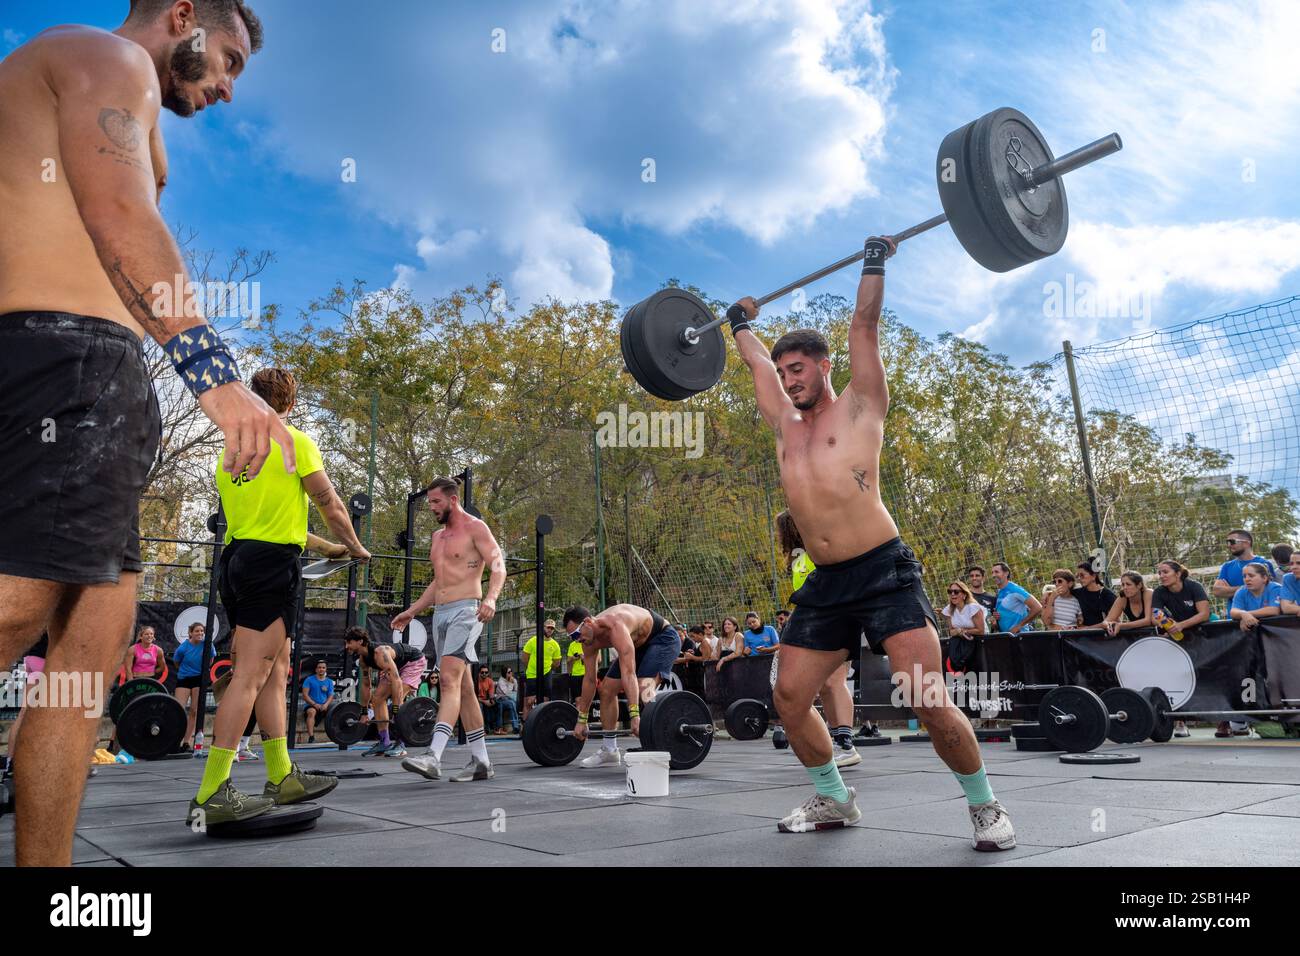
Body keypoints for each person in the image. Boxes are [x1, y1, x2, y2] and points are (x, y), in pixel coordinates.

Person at [0, 0, 309, 866]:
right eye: (231, 62)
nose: (227, 88)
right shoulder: (106, 57)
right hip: (55, 359)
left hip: (98, 377)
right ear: (184, 15)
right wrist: (214, 377)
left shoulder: (108, 84)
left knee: (82, 667)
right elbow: (121, 216)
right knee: (19, 609)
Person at [726, 237, 1014, 846]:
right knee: (788, 697)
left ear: (823, 366)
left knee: (926, 699)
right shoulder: (784, 425)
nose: (789, 381)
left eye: (797, 369)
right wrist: (739, 326)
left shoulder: (861, 406)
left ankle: (986, 807)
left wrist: (874, 261)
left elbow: (865, 322)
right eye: (784, 373)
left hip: (883, 571)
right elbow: (753, 365)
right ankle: (834, 798)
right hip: (825, 582)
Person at [189, 366, 369, 829]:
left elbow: (267, 520)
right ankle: (211, 792)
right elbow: (331, 504)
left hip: (241, 560)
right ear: (291, 403)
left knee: (277, 671)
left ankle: (282, 774)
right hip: (270, 568)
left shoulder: (235, 451)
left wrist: (324, 547)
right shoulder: (295, 442)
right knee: (251, 675)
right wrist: (353, 545)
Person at [394, 476, 506, 783]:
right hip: (440, 614)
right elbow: (438, 582)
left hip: (466, 612)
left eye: (436, 502)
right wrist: (412, 611)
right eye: (429, 502)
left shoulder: (475, 528)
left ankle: (434, 756)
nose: (432, 508)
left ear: (453, 499)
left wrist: (492, 599)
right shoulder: (437, 537)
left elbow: (498, 565)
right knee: (464, 687)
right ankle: (481, 761)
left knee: (447, 679)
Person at [778, 509, 858, 766]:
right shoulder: (798, 559)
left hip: (835, 617)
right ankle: (838, 740)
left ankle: (846, 744)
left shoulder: (818, 549)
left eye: (780, 531)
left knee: (835, 681)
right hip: (816, 623)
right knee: (824, 685)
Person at [565, 604, 680, 769]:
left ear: (588, 622)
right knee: (606, 690)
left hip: (662, 638)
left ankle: (666, 739)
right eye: (572, 637)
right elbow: (590, 679)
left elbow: (629, 673)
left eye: (576, 633)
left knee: (644, 687)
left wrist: (635, 715)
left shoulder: (615, 626)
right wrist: (581, 719)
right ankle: (610, 751)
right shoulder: (587, 641)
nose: (576, 639)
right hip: (636, 645)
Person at [343, 628, 428, 757]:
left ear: (360, 641)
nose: (346, 646)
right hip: (395, 668)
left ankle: (401, 744)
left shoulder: (380, 653)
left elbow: (397, 681)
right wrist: (364, 712)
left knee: (399, 705)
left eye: (349, 642)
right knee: (377, 699)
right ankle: (384, 742)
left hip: (412, 662)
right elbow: (366, 686)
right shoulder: (363, 660)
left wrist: (395, 709)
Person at [1151, 560, 1211, 738]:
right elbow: (1155, 616)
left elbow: (1204, 614)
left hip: (1203, 636)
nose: (1161, 576)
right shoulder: (1159, 592)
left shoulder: (1194, 587)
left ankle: (1224, 723)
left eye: (1165, 572)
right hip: (1176, 639)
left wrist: (1181, 625)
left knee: (1209, 677)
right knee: (1176, 678)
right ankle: (1179, 721)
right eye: (1159, 572)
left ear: (1178, 574)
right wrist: (1168, 626)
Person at [1212, 530, 1277, 602]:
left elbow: (1268, 590)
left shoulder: (1264, 564)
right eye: (1227, 542)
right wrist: (1251, 587)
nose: (1229, 545)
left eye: (1232, 542)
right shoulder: (1227, 566)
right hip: (1234, 612)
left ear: (1246, 543)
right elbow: (1216, 591)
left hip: (1260, 612)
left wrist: (1229, 590)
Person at [172, 622, 207, 752]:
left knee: (194, 711)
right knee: (178, 710)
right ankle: (175, 741)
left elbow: (210, 660)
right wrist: (186, 671)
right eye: (197, 631)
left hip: (198, 680)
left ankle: (186, 742)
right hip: (184, 679)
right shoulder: (183, 647)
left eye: (202, 631)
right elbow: (176, 662)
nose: (200, 634)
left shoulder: (207, 645)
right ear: (191, 633)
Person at [520, 619, 562, 718]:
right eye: (548, 627)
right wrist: (533, 667)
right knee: (529, 702)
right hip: (532, 674)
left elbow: (556, 663)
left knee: (545, 702)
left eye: (552, 628)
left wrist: (547, 667)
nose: (550, 630)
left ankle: (542, 725)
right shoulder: (533, 640)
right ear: (543, 627)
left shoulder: (555, 645)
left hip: (546, 674)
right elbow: (524, 658)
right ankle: (525, 727)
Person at [989, 563, 1042, 635]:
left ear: (1006, 573)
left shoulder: (1015, 589)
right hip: (1007, 637)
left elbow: (1038, 608)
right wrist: (996, 618)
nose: (993, 575)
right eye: (992, 572)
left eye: (996, 572)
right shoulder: (1000, 592)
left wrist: (1019, 626)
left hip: (1020, 637)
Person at [1101, 571, 1153, 637]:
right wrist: (1110, 625)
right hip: (1138, 637)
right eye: (1123, 585)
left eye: (1128, 584)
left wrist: (1121, 625)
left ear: (1139, 585)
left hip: (1158, 635)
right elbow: (1106, 621)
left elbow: (1147, 621)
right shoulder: (1123, 598)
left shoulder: (1148, 593)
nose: (1124, 588)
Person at [1071, 561, 1117, 627]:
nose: (1079, 578)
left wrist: (1086, 629)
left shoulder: (1107, 595)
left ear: (1093, 576)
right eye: (1077, 576)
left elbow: (1113, 621)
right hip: (1081, 634)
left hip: (1102, 634)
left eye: (1082, 575)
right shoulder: (1077, 593)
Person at [299, 661, 335, 745]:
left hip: (324, 705)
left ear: (326, 669)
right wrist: (314, 704)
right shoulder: (309, 680)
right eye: (319, 667)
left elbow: (330, 696)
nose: (321, 669)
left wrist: (326, 704)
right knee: (312, 712)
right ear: (316, 669)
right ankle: (311, 737)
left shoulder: (329, 681)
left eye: (323, 667)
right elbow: (305, 695)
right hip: (311, 705)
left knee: (335, 711)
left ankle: (335, 736)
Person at [494, 666, 520, 735]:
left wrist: (513, 682)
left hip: (510, 699)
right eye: (509, 672)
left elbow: (515, 691)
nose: (511, 673)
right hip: (501, 699)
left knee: (512, 704)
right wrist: (511, 683)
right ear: (504, 673)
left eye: (511, 671)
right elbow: (507, 693)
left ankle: (515, 727)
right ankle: (516, 726)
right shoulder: (501, 681)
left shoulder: (513, 679)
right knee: (512, 703)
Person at [564, 623, 586, 703]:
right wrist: (574, 658)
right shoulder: (572, 645)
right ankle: (579, 715)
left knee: (587, 699)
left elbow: (599, 660)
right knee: (578, 700)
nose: (575, 638)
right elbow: (568, 660)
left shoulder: (587, 642)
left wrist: (584, 657)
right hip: (575, 675)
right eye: (573, 636)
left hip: (586, 674)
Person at [476, 665, 498, 733]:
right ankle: (481, 728)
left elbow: (491, 695)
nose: (484, 674)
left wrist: (492, 701)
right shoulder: (475, 681)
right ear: (479, 673)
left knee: (499, 704)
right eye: (482, 672)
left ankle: (498, 728)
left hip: (486, 699)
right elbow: (473, 697)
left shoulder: (490, 681)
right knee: (480, 706)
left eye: (486, 672)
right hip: (477, 700)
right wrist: (484, 701)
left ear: (488, 673)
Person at [1280, 550, 1300, 615]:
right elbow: (1286, 608)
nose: (1294, 567)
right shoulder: (1288, 578)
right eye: (1291, 564)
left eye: (1299, 563)